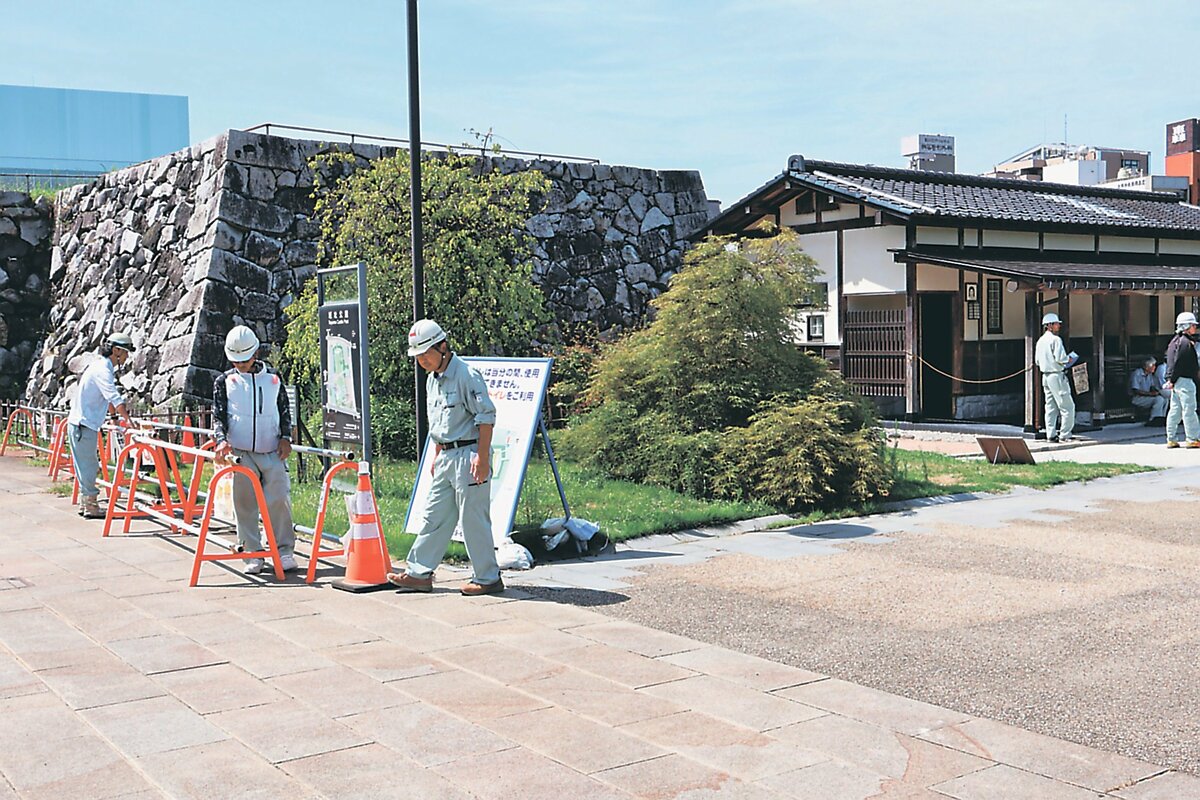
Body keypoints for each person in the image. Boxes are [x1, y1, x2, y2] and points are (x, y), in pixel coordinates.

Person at [387, 319, 503, 596]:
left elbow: (486, 417)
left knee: (473, 519)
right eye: (418, 356)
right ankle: (419, 574)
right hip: (446, 456)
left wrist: (482, 457)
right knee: (434, 516)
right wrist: (437, 454)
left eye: (426, 353)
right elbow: (439, 422)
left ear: (443, 346)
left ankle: (488, 578)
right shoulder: (432, 380)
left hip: (469, 454)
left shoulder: (467, 375)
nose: (422, 360)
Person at [212, 325, 297, 573]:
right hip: (240, 452)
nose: (240, 365)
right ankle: (253, 553)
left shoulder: (273, 378)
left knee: (278, 499)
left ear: (255, 354)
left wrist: (285, 437)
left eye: (244, 360)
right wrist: (221, 440)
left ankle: (283, 551)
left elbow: (284, 411)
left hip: (272, 450)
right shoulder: (224, 382)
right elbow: (218, 417)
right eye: (236, 361)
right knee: (245, 503)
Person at [66, 331, 138, 518]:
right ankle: (90, 505)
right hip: (83, 424)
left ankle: (86, 503)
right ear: (116, 350)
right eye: (125, 352)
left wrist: (114, 418)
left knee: (84, 465)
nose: (127, 356)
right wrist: (127, 421)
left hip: (80, 423)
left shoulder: (100, 367)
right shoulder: (103, 370)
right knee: (89, 466)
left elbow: (105, 397)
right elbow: (113, 396)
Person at [1035, 312, 1076, 443]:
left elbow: (1037, 361)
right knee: (1067, 406)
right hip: (1057, 375)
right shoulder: (1056, 340)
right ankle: (1065, 434)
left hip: (1045, 376)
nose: (1059, 326)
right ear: (1050, 325)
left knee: (1050, 407)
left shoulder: (1040, 341)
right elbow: (1061, 359)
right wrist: (1069, 359)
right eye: (1057, 323)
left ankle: (1050, 434)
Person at [1164, 312, 1200, 449]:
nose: (1195, 328)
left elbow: (1171, 362)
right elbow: (1179, 364)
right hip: (1184, 380)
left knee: (1175, 410)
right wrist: (1173, 379)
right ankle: (1192, 438)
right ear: (1186, 326)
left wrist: (1170, 379)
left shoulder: (1174, 341)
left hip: (1177, 382)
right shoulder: (1185, 343)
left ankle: (1171, 438)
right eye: (1192, 325)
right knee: (1189, 410)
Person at [1129, 357, 1168, 426]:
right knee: (1158, 399)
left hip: (1146, 397)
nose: (1155, 367)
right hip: (1137, 398)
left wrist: (1158, 392)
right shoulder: (1137, 373)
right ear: (1146, 367)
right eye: (1153, 365)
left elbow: (1152, 386)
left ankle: (1161, 418)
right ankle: (1153, 419)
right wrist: (1151, 394)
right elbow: (1135, 390)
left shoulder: (1149, 375)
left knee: (1165, 399)